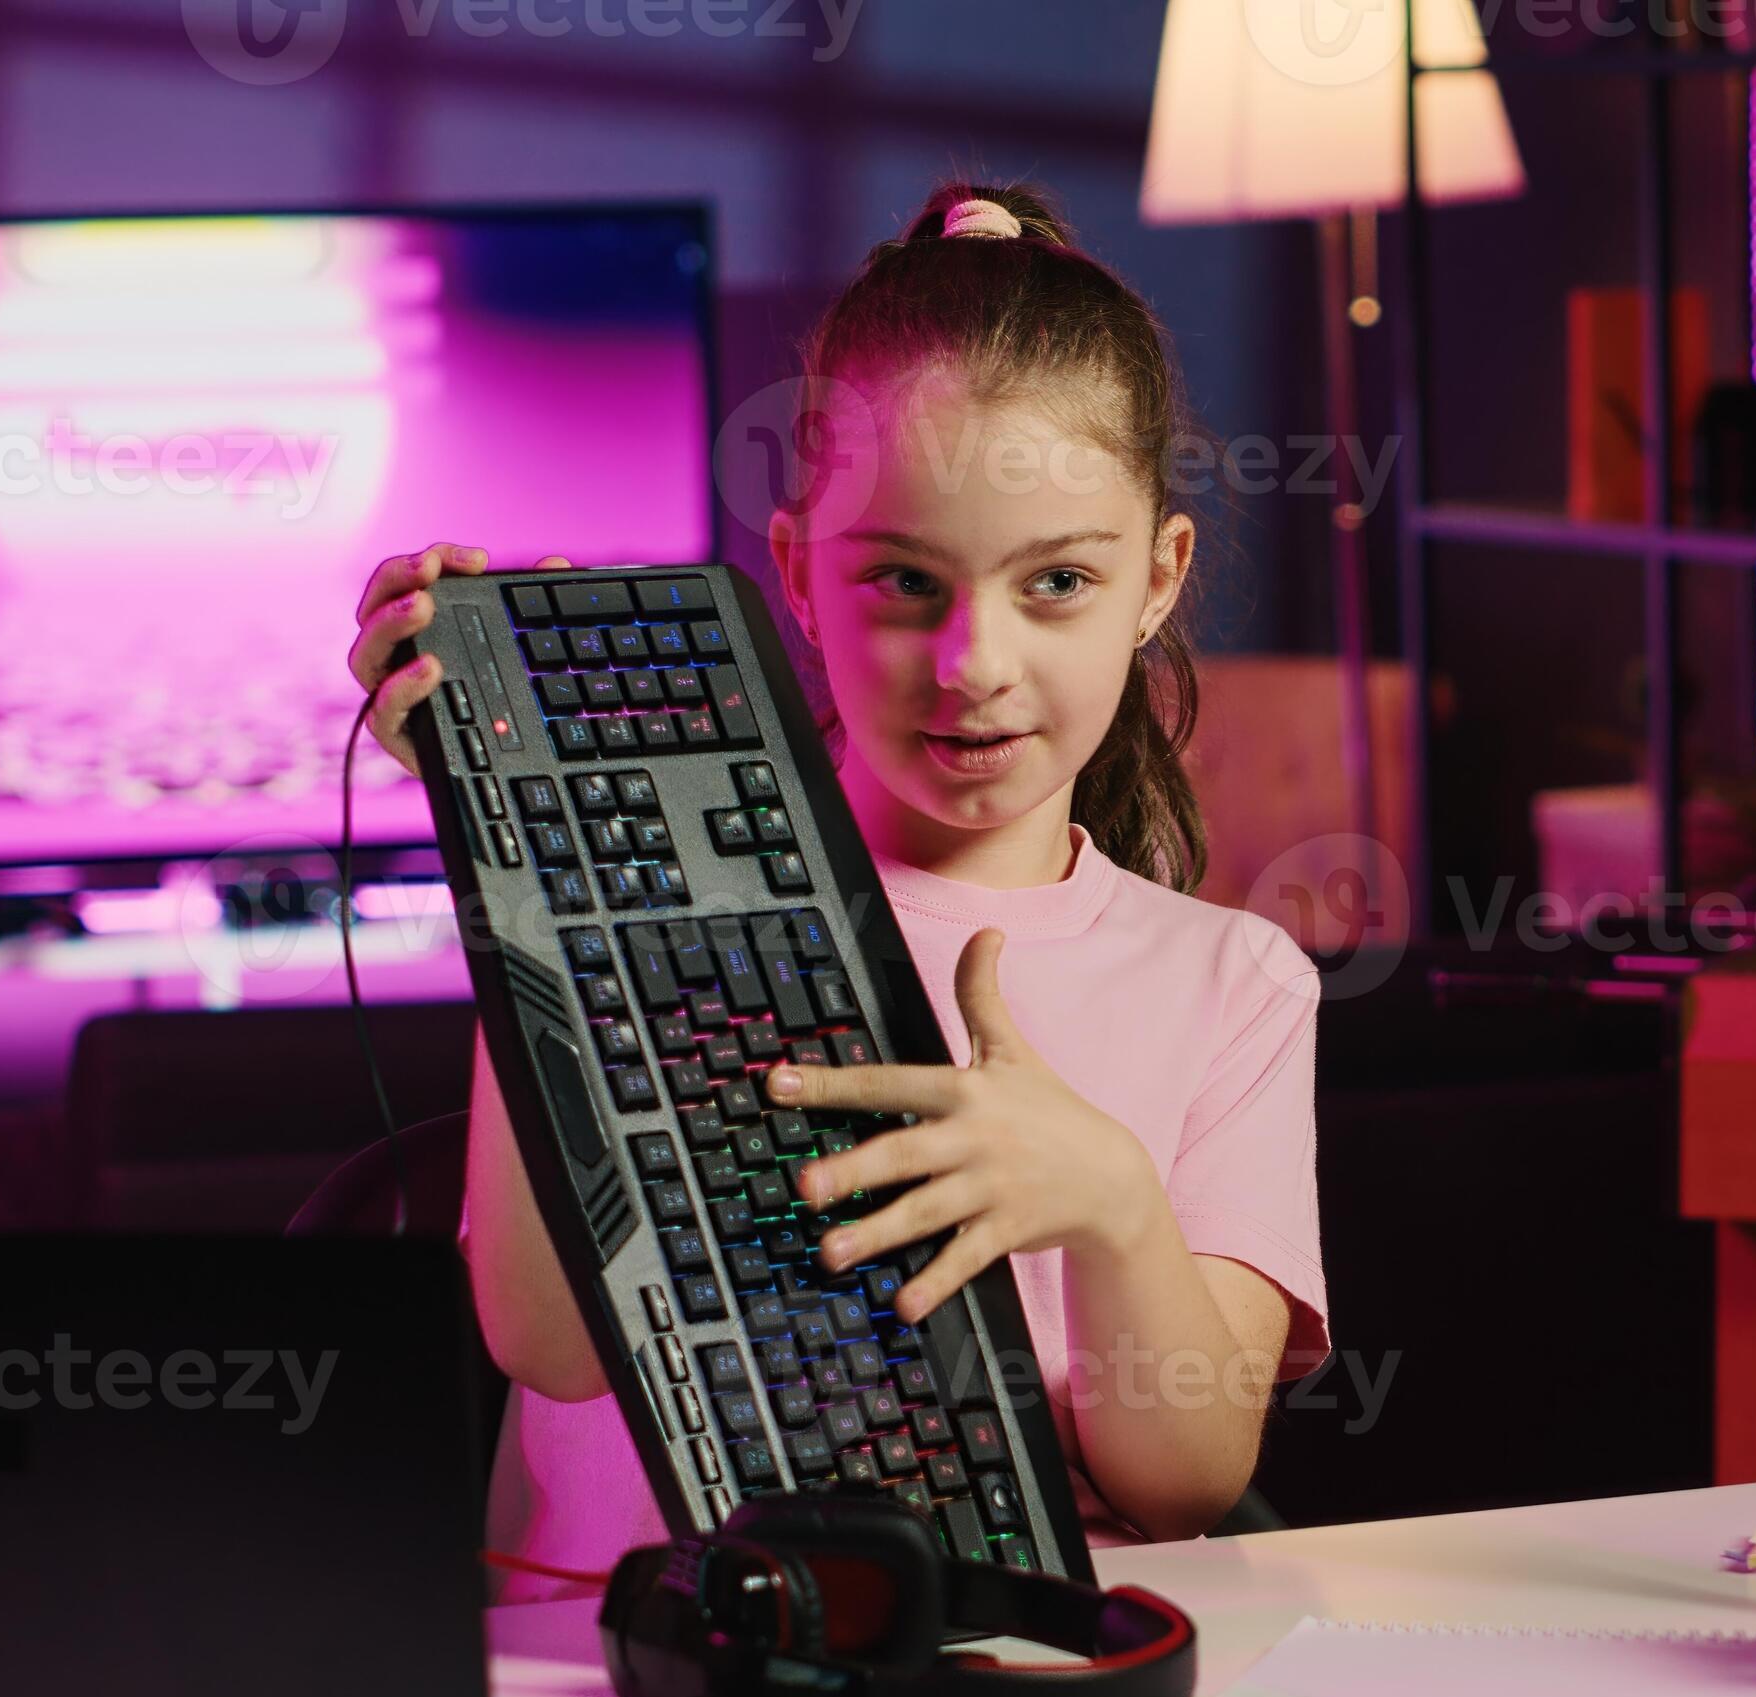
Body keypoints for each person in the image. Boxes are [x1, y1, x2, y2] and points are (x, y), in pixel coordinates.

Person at [344, 184, 1329, 1583]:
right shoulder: (661, 901)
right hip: (630, 1655)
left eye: (1055, 582)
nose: (970, 663)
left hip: (1006, 1663)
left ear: (1157, 578)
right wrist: (522, 838)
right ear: (798, 575)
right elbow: (548, 1346)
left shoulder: (1230, 985)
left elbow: (1182, 1487)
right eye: (904, 584)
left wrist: (1107, 1196)